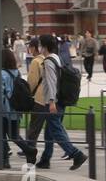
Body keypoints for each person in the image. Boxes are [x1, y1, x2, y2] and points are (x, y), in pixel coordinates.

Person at [31, 34, 86, 171]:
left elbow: (51, 82)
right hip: (61, 99)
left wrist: (51, 102)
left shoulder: (49, 61)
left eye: (40, 45)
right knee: (50, 131)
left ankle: (76, 154)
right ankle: (45, 159)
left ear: (44, 46)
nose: (39, 47)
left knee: (55, 130)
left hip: (53, 101)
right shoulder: (57, 57)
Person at [0, 47, 37, 167]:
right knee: (13, 134)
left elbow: (1, 92)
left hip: (4, 109)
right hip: (16, 107)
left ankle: (7, 160)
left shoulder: (1, 73)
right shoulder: (16, 72)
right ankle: (27, 151)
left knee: (2, 135)